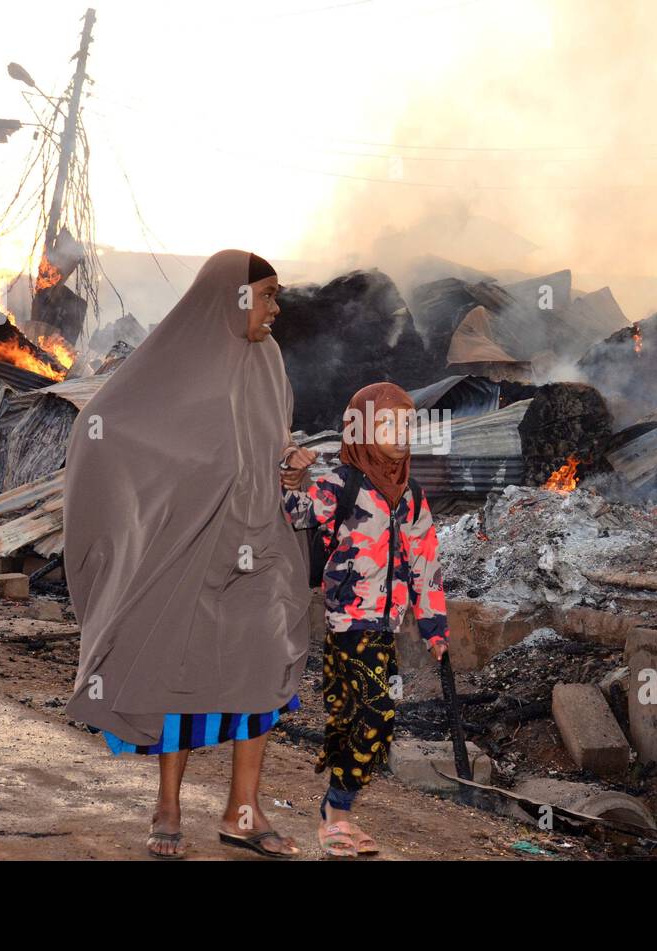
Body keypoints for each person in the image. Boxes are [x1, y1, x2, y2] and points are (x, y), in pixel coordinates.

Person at [63, 250, 312, 860]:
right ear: (233, 296)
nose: (276, 309)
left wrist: (290, 470)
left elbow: (270, 444)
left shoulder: (270, 359)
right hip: (195, 543)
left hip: (261, 542)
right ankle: (167, 808)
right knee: (180, 670)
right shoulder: (181, 361)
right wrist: (194, 476)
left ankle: (242, 814)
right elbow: (107, 424)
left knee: (262, 671)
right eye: (269, 295)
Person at [281, 382, 449, 857]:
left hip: (386, 625)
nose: (399, 434)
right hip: (349, 622)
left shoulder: (411, 495)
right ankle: (337, 812)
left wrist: (435, 627)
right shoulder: (342, 483)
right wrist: (288, 483)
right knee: (377, 711)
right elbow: (297, 515)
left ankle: (339, 810)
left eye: (406, 424)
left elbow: (425, 564)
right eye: (387, 424)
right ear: (360, 428)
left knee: (357, 715)